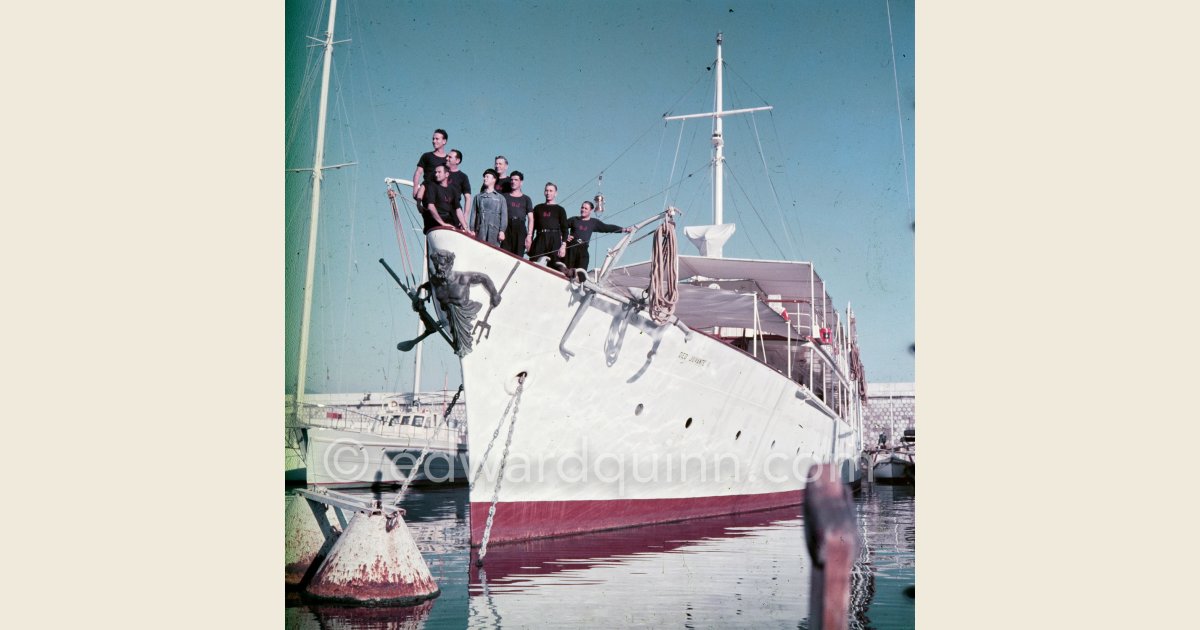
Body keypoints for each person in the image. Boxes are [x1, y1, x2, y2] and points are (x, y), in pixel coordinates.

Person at [565, 200, 632, 271]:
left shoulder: (593, 222)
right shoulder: (574, 220)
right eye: (582, 208)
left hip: (583, 249)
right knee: (567, 269)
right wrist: (565, 235)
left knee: (581, 271)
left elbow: (607, 227)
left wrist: (624, 229)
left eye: (585, 208)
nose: (583, 210)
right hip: (571, 247)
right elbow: (560, 226)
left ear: (591, 210)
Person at [528, 182, 569, 266]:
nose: (548, 193)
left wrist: (563, 245)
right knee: (534, 262)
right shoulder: (538, 208)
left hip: (554, 239)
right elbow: (533, 226)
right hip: (540, 237)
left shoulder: (560, 209)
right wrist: (530, 239)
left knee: (555, 264)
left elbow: (565, 229)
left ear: (555, 193)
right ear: (544, 192)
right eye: (546, 190)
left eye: (551, 191)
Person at [422, 164, 470, 234]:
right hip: (436, 222)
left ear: (446, 174)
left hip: (449, 221)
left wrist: (465, 228)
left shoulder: (452, 190)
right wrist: (442, 223)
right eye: (435, 172)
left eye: (439, 172)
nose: (436, 174)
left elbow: (458, 209)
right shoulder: (432, 186)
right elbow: (431, 206)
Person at [501, 170, 535, 257]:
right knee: (505, 255)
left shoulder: (526, 199)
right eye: (512, 180)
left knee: (518, 256)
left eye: (516, 180)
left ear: (521, 182)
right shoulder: (504, 197)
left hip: (520, 228)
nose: (513, 182)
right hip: (507, 227)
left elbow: (531, 219)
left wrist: (529, 236)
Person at [471, 169, 508, 247]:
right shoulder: (478, 197)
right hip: (480, 230)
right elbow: (474, 214)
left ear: (494, 179)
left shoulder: (500, 198)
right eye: (484, 177)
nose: (485, 178)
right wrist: (472, 229)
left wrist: (502, 231)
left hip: (494, 231)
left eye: (487, 176)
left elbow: (504, 216)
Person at [412, 129, 448, 202]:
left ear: (444, 141)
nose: (434, 141)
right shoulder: (426, 156)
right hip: (428, 192)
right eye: (433, 139)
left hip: (443, 194)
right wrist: (415, 188)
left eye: (437, 139)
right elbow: (418, 172)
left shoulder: (448, 159)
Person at [446, 149, 472, 223]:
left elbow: (468, 198)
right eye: (447, 156)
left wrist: (465, 216)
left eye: (450, 157)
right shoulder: (440, 173)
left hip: (454, 212)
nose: (447, 158)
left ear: (457, 160)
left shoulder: (463, 177)